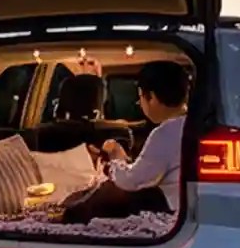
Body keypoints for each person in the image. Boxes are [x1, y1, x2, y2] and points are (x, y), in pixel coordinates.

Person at [63, 61, 189, 222]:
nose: (139, 103)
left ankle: (66, 219)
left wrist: (115, 156)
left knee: (106, 192)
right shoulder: (193, 126)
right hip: (183, 208)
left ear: (151, 97)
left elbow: (130, 181)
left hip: (169, 208)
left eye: (140, 97)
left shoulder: (165, 133)